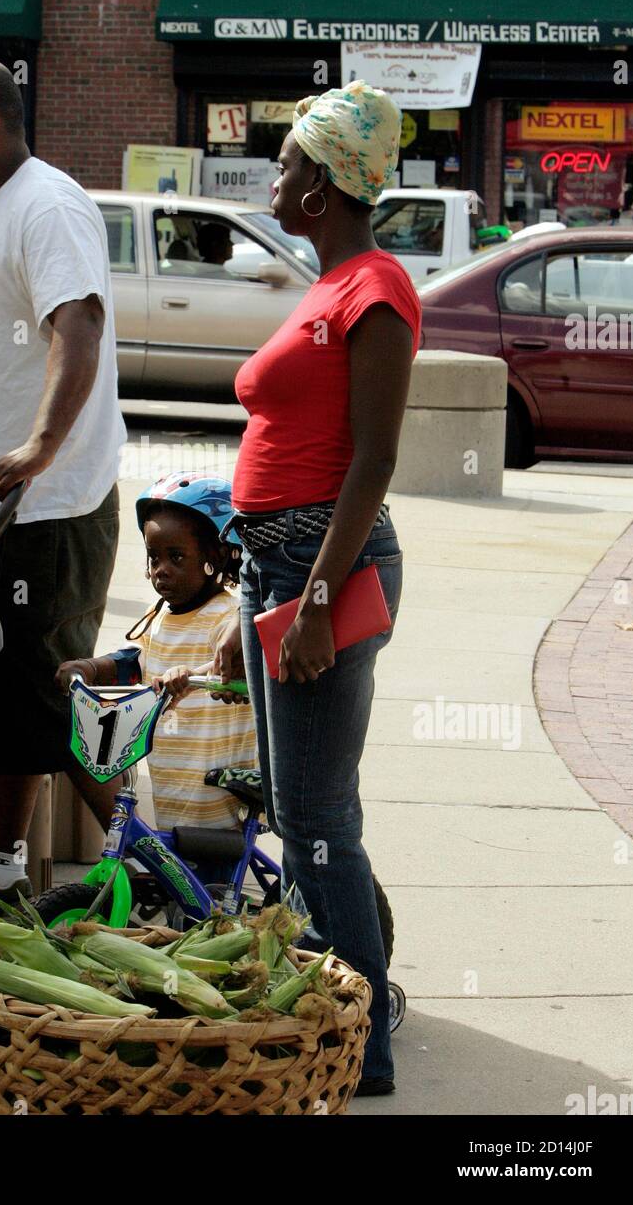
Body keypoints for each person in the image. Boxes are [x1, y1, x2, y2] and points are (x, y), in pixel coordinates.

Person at [213, 81, 422, 1098]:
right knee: (299, 813)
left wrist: (320, 601)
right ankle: (321, 1020)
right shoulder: (325, 281)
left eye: (291, 163)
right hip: (278, 569)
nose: (277, 176)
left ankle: (361, 1047)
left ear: (327, 184)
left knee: (316, 817)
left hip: (321, 570)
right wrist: (252, 600)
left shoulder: (376, 290)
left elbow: (374, 458)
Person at [0, 57, 125, 901]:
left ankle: (146, 852)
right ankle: (4, 859)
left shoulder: (47, 204)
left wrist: (40, 445)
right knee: (4, 700)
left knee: (49, 695)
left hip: (44, 507)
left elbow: (75, 321)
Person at [55, 474, 257, 833]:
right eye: (154, 556)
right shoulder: (162, 615)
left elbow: (230, 666)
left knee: (214, 878)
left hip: (216, 784)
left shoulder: (227, 618)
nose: (160, 569)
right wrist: (90, 667)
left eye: (176, 557)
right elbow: (140, 660)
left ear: (217, 555)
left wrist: (191, 674)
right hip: (174, 777)